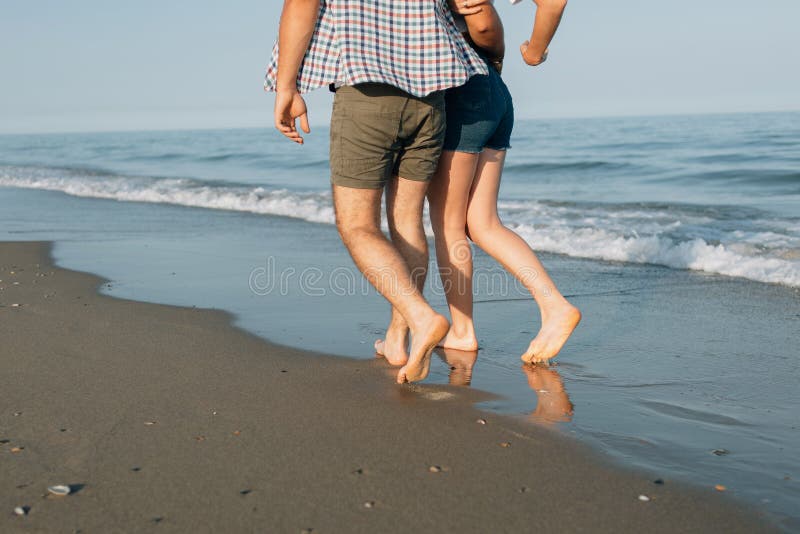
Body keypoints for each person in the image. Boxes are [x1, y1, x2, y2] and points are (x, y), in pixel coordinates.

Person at [265, 0, 490, 383]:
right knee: (406, 221)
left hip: (368, 96)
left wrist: (287, 86)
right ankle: (396, 340)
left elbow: (301, 5)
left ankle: (421, 319)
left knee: (356, 225)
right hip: (431, 100)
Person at [424, 0, 581, 365]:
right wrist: (533, 51)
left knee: (449, 227)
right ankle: (553, 305)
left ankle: (463, 333)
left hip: (460, 87)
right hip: (494, 89)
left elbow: (480, 26)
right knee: (483, 223)